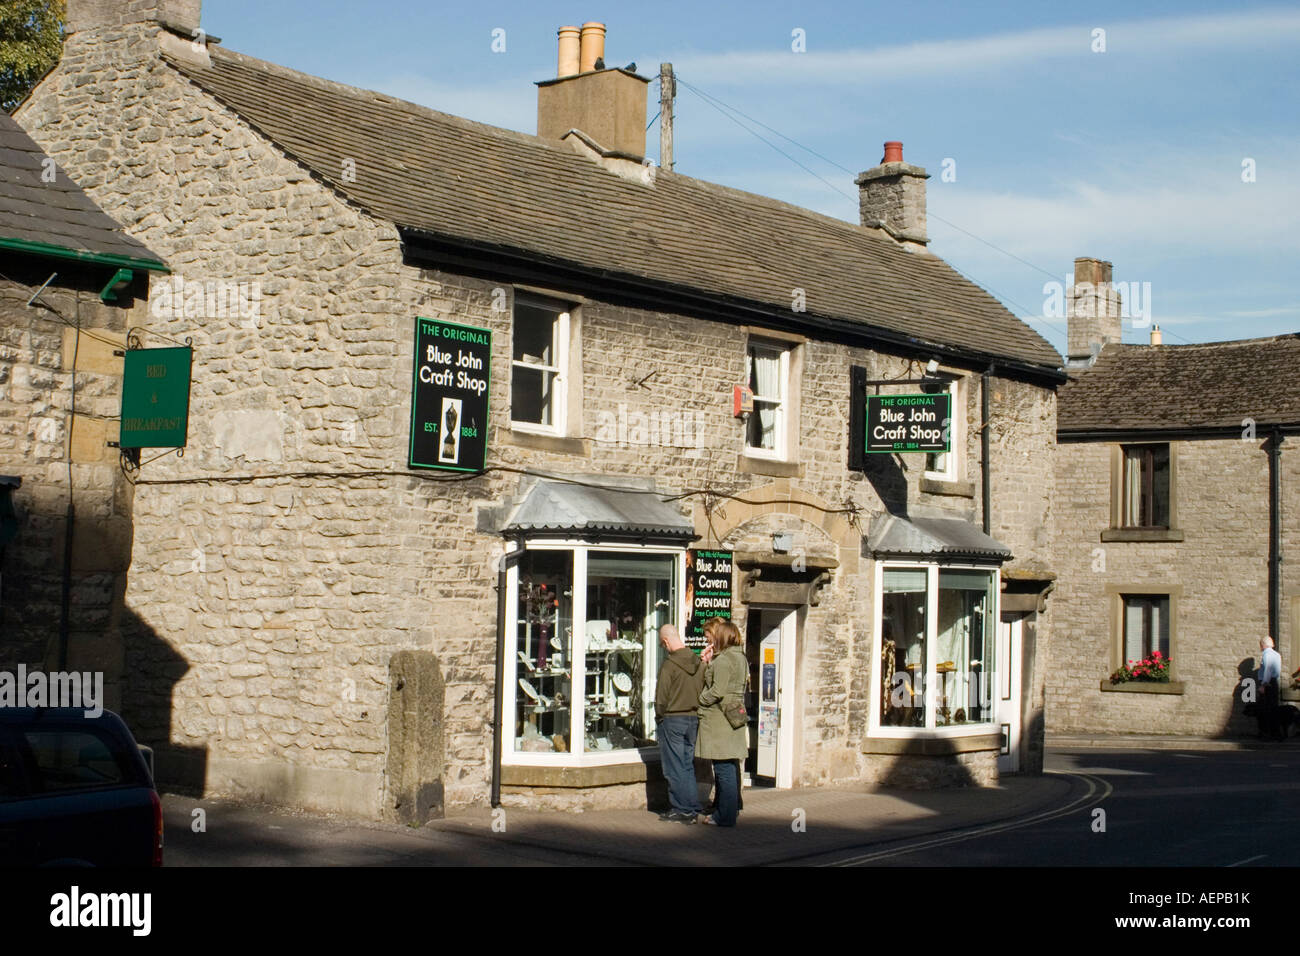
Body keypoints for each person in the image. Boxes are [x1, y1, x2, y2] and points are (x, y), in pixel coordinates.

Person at [696, 619, 748, 826]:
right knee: (731, 766)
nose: (712, 638)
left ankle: (724, 816)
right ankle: (730, 810)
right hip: (734, 714)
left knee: (723, 768)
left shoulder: (725, 659)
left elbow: (717, 691)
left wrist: (701, 699)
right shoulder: (740, 657)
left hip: (720, 718)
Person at [654, 624, 705, 823]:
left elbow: (661, 697)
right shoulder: (698, 662)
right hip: (693, 718)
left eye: (662, 644)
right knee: (687, 765)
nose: (663, 648)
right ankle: (691, 805)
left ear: (666, 641)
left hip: (673, 718)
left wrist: (659, 716)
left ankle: (681, 808)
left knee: (673, 767)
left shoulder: (670, 665)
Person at [1257, 635, 1283, 740]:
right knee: (1273, 708)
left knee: (1265, 709)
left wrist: (1263, 685)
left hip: (1268, 683)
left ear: (1263, 645)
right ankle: (1276, 733)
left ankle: (1266, 734)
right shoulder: (1277, 654)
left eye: (1260, 645)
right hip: (1274, 683)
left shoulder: (1266, 655)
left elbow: (1267, 670)